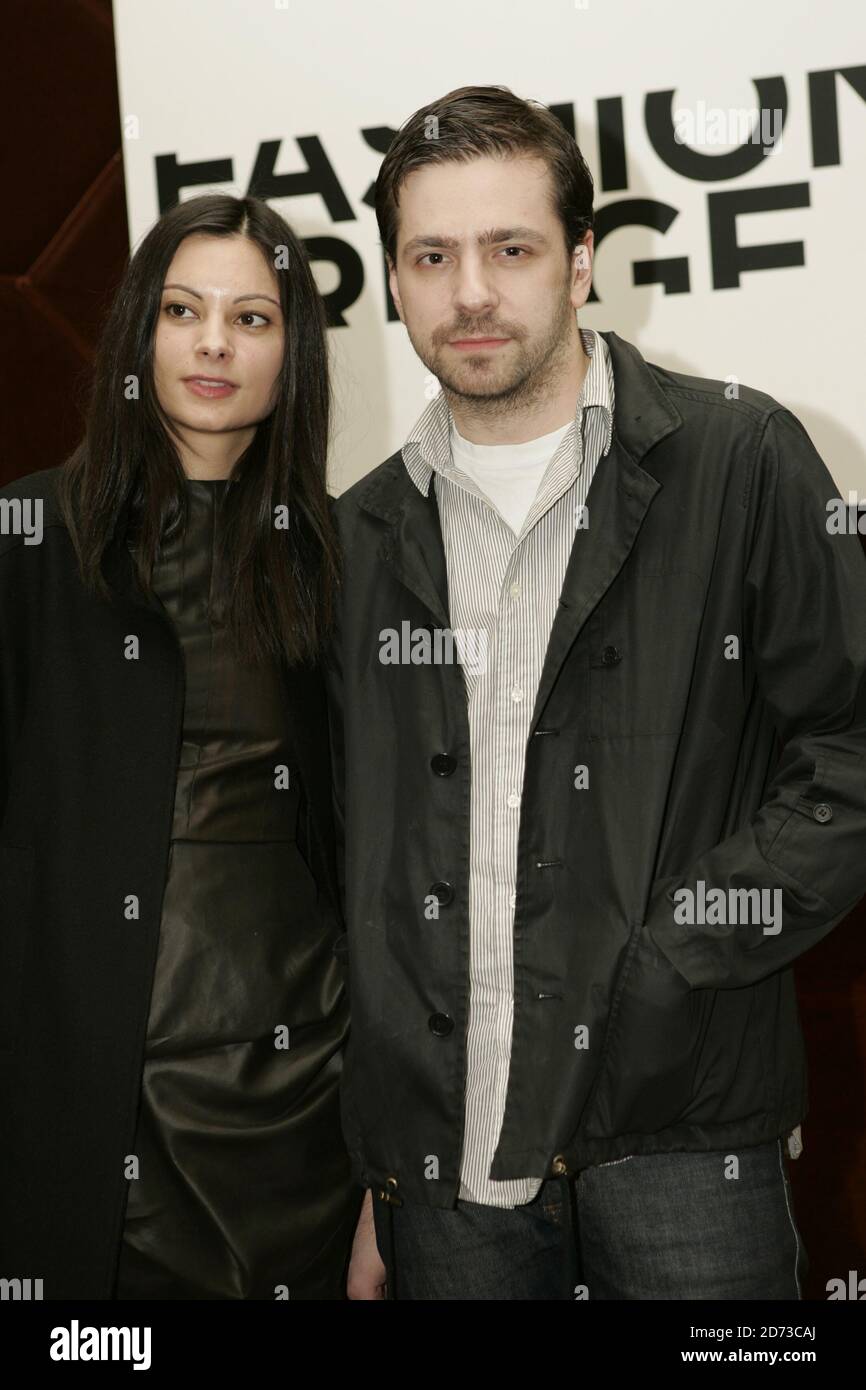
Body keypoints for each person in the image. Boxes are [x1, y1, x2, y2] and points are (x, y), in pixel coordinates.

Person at [324, 85, 866, 1300]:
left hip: (679, 1129)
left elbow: (849, 745)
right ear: (394, 282)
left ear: (577, 263)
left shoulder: (737, 458)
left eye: (508, 248)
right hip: (446, 1168)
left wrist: (679, 949)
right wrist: (379, 1162)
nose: (470, 291)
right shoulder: (355, 536)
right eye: (431, 255)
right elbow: (353, 846)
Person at [0, 193, 363, 1299]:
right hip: (83, 1090)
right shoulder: (27, 544)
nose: (213, 342)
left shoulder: (341, 561)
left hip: (302, 1096)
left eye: (253, 319)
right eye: (181, 310)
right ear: (135, 334)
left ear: (291, 351)